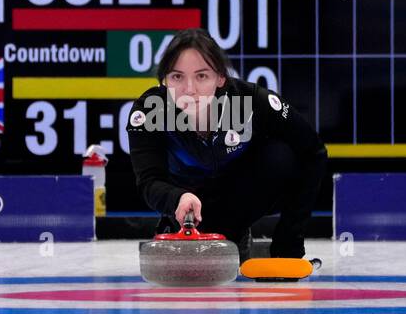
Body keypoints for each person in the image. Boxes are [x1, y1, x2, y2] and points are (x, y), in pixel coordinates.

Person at [127, 29, 328, 263]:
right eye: (177, 77)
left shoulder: (252, 101)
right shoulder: (150, 111)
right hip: (187, 204)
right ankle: (178, 227)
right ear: (163, 80)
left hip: (240, 197)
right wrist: (176, 198)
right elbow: (149, 181)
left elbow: (314, 153)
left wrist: (289, 239)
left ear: (220, 77)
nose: (189, 89)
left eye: (201, 76)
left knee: (280, 155)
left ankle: (235, 233)